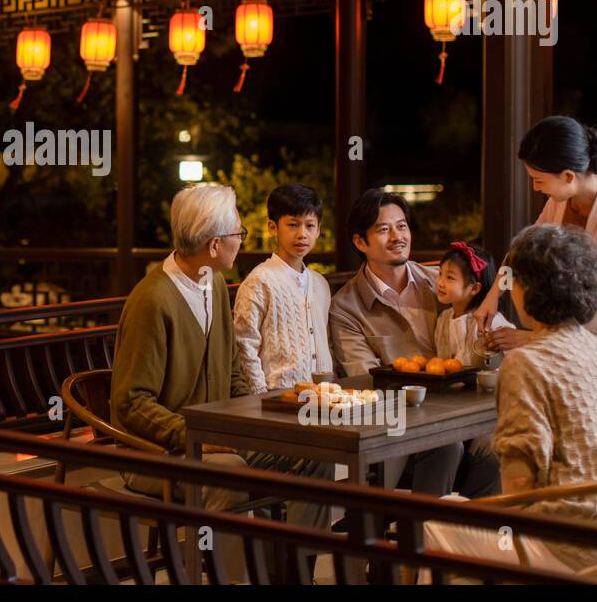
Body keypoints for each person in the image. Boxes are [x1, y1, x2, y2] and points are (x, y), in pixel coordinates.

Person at [427, 224, 597, 580]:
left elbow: (517, 488)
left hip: (571, 553)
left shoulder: (528, 363)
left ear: (526, 291)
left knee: (437, 518)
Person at [110, 183, 333, 529]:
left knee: (319, 454)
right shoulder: (152, 301)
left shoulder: (212, 282)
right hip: (153, 454)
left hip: (215, 438)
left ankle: (294, 568)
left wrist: (255, 424)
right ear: (214, 244)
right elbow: (131, 401)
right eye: (237, 233)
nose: (241, 240)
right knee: (229, 475)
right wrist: (193, 435)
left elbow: (232, 372)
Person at [474, 116, 597, 409]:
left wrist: (528, 338)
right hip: (567, 351)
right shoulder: (560, 200)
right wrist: (494, 294)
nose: (536, 189)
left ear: (568, 176)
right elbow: (525, 251)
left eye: (538, 180)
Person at [328, 188, 499, 498]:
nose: (398, 236)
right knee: (444, 445)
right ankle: (421, 536)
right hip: (401, 423)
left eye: (402, 225)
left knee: (501, 445)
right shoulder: (347, 307)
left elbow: (479, 331)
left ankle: (472, 537)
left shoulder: (439, 282)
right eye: (384, 229)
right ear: (359, 242)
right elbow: (367, 382)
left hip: (460, 410)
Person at [233, 184, 333, 394]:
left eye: (310, 226)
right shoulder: (259, 281)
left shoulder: (320, 284)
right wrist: (260, 396)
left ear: (319, 230)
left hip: (323, 398)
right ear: (272, 227)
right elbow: (245, 346)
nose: (302, 234)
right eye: (293, 225)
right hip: (277, 398)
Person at [434, 241, 512, 367]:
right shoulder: (443, 318)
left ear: (474, 288)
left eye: (450, 277)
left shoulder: (490, 322)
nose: (440, 283)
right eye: (440, 274)